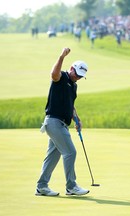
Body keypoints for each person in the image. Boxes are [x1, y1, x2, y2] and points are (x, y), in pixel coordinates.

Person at [36, 48, 89, 196]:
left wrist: (77, 119)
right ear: (71, 68)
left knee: (53, 155)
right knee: (70, 152)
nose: (77, 77)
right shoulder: (62, 77)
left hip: (61, 123)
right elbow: (53, 74)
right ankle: (71, 186)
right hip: (54, 122)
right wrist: (61, 57)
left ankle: (41, 186)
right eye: (76, 74)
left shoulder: (74, 85)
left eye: (80, 76)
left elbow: (70, 105)